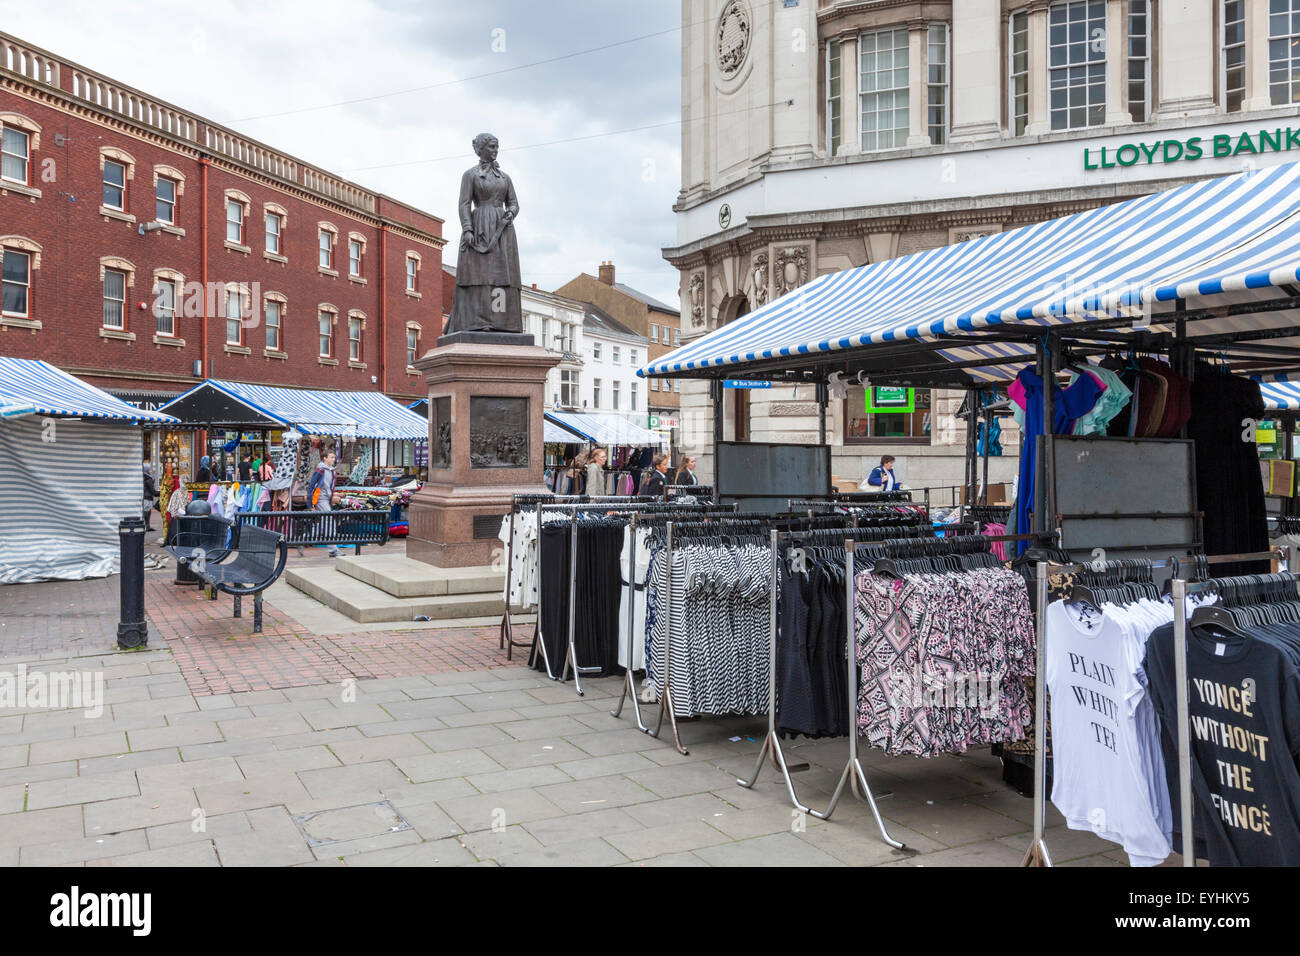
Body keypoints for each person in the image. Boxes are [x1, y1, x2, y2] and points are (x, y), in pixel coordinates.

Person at [443, 132, 523, 334]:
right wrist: (467, 228)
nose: (495, 151)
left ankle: (503, 321)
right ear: (480, 149)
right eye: (491, 147)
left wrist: (510, 213)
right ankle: (477, 320)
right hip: (479, 225)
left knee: (502, 275)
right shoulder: (470, 175)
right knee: (479, 274)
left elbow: (513, 202)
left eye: (497, 147)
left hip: (502, 230)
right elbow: (463, 204)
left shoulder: (505, 177)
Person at [306, 450, 340, 557]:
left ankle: (303, 539)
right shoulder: (320, 470)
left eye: (334, 457)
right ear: (325, 458)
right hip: (321, 499)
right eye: (331, 457)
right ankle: (333, 550)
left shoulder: (332, 471)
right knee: (330, 522)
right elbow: (311, 486)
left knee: (322, 524)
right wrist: (310, 504)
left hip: (326, 500)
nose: (333, 459)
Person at [141, 462, 157, 532]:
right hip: (148, 497)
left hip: (145, 497)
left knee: (146, 512)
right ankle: (147, 526)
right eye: (149, 469)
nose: (151, 470)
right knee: (147, 513)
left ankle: (147, 526)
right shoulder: (148, 479)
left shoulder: (143, 477)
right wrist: (161, 493)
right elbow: (153, 491)